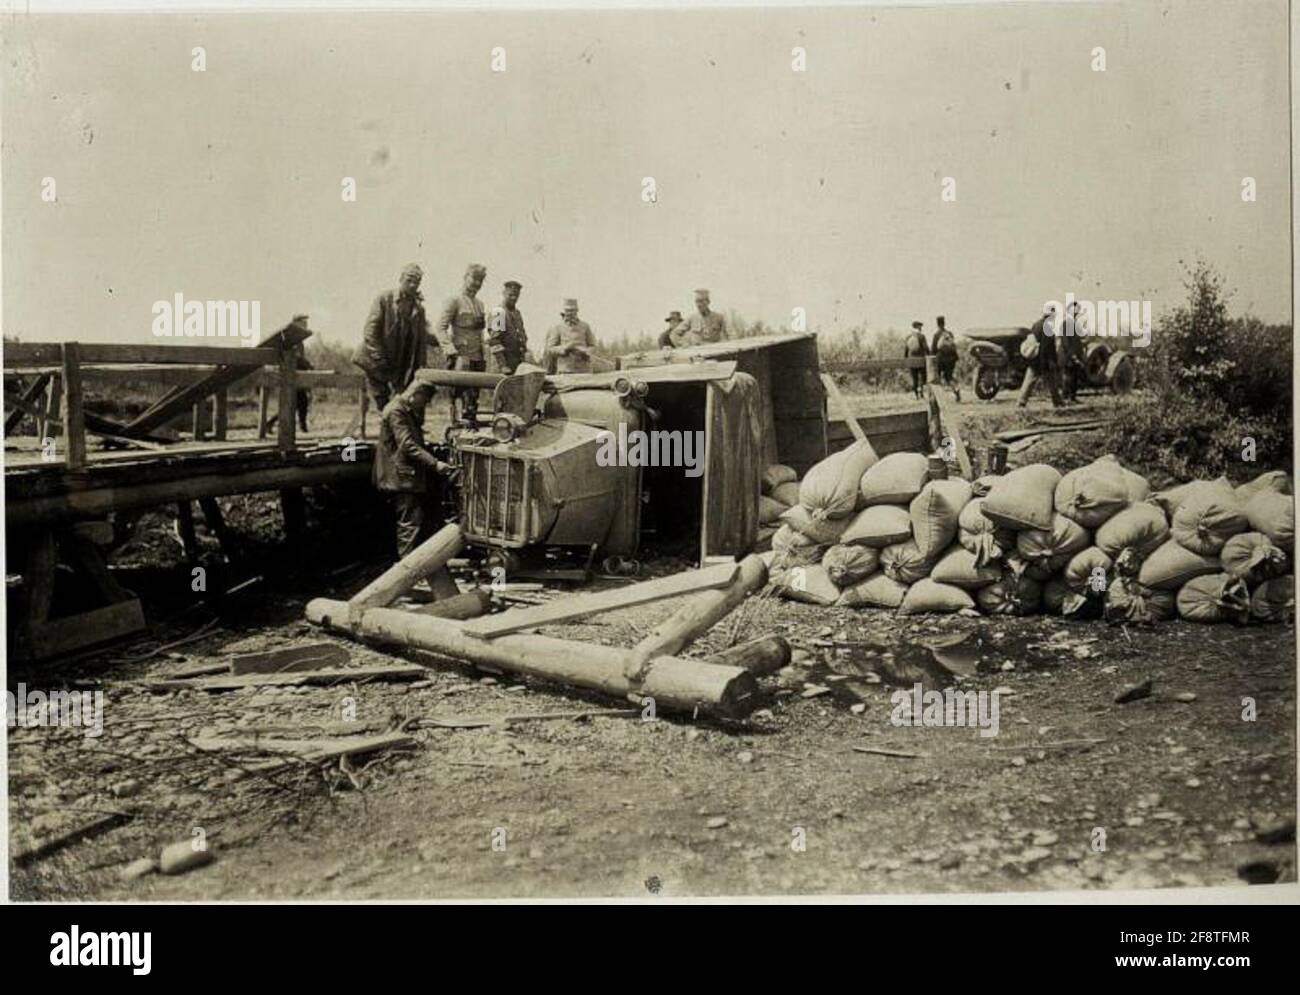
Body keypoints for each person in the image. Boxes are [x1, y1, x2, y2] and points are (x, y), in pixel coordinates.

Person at [373, 370, 458, 559]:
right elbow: (407, 444)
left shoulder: (403, 409)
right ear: (415, 395)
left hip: (405, 474)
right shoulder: (397, 411)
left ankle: (410, 566)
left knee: (412, 520)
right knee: (409, 523)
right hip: (402, 476)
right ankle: (407, 570)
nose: (424, 405)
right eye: (424, 401)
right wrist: (435, 464)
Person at [353, 264, 432, 413]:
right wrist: (379, 358)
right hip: (375, 359)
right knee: (381, 399)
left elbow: (422, 339)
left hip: (399, 362)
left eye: (417, 281)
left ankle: (396, 430)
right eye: (409, 280)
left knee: (403, 402)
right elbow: (370, 331)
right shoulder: (384, 299)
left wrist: (422, 363)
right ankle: (387, 431)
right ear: (400, 279)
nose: (413, 284)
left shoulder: (418, 308)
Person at [436, 263, 488, 420]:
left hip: (477, 357)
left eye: (480, 281)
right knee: (458, 396)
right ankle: (455, 429)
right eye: (474, 279)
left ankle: (471, 428)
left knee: (473, 399)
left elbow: (479, 332)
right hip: (461, 357)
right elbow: (440, 327)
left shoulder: (480, 304)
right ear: (465, 278)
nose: (477, 284)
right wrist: (449, 348)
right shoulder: (454, 301)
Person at [267, 314, 314, 432]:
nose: (306, 325)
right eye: (303, 323)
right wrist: (308, 365)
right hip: (291, 375)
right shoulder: (292, 339)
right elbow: (296, 357)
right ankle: (271, 423)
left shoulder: (299, 341)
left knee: (300, 403)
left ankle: (302, 427)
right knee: (294, 404)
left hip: (297, 374)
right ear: (296, 323)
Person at [1017, 307, 1063, 408]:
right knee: (1052, 382)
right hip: (1043, 360)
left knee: (1029, 381)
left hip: (1034, 359)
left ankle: (1021, 402)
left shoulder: (1036, 325)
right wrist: (1053, 361)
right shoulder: (1048, 328)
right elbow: (1048, 347)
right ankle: (1057, 402)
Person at [544, 298, 599, 373]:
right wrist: (564, 348)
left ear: (577, 311)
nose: (570, 313)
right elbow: (550, 348)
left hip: (584, 370)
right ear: (564, 311)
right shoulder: (557, 327)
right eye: (568, 310)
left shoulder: (585, 326)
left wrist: (586, 351)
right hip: (565, 370)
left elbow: (593, 346)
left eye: (572, 310)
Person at [487, 280, 528, 374]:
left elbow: (521, 339)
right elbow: (495, 341)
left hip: (516, 364)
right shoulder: (499, 312)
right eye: (510, 295)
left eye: (516, 296)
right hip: (503, 365)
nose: (513, 298)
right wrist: (503, 366)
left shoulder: (517, 314)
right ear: (504, 293)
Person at [1056, 301, 1085, 404]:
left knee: (1074, 377)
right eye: (1074, 309)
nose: (1077, 311)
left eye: (1077, 309)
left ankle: (1072, 397)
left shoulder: (1074, 324)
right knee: (1068, 377)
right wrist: (1073, 356)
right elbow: (1066, 342)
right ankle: (1065, 398)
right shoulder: (1066, 324)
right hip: (1067, 356)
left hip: (1074, 355)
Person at [931, 315, 961, 401]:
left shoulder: (936, 335)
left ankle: (939, 397)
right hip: (952, 359)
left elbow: (933, 349)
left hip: (942, 359)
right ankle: (956, 388)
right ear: (944, 323)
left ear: (937, 324)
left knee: (937, 377)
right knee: (949, 377)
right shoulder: (949, 333)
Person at [904, 320, 929, 399]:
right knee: (922, 377)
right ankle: (921, 392)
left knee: (915, 378)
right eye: (920, 326)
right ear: (917, 327)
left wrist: (906, 359)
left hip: (911, 359)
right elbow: (926, 348)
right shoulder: (921, 336)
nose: (921, 328)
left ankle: (916, 395)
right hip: (920, 359)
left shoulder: (908, 336)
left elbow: (906, 350)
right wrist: (929, 356)